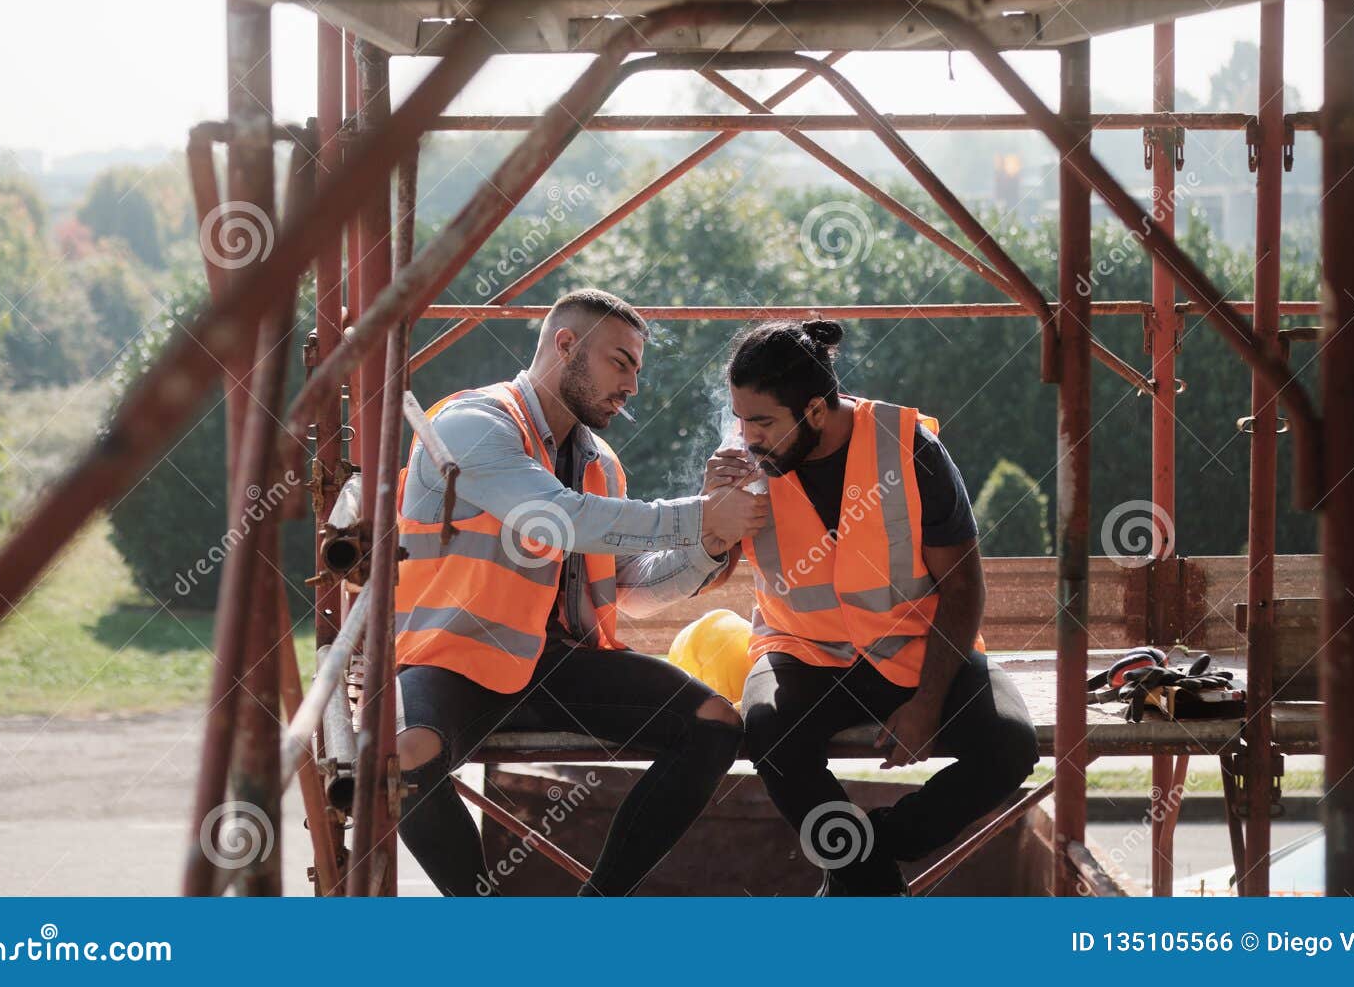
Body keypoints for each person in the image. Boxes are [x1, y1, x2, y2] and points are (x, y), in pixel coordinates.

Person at [392, 289, 768, 896]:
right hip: (454, 657)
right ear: (565, 346)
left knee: (714, 725)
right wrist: (700, 515)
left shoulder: (602, 463)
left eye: (638, 370)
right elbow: (561, 518)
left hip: (562, 667)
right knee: (405, 751)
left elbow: (631, 590)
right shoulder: (471, 423)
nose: (632, 387)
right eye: (620, 362)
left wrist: (713, 543)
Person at [710, 319, 1039, 895]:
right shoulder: (744, 466)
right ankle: (870, 881)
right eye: (740, 418)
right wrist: (711, 514)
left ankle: (868, 854)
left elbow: (962, 587)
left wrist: (928, 703)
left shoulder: (910, 448)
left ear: (815, 410)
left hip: (915, 647)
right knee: (769, 732)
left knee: (1010, 747)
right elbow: (707, 572)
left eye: (761, 421)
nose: (747, 436)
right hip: (801, 651)